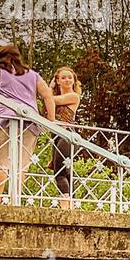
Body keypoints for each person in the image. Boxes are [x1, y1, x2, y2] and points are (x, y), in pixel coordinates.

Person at [0, 46, 56, 205]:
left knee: (1, 161)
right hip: (30, 121)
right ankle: (15, 201)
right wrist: (50, 121)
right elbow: (47, 96)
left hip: (5, 119)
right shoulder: (32, 74)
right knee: (22, 163)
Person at [48, 67, 81, 210]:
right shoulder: (56, 95)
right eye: (63, 78)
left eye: (69, 77)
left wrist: (48, 88)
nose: (67, 80)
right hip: (56, 136)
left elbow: (50, 100)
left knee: (60, 172)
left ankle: (66, 204)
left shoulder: (74, 96)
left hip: (67, 134)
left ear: (74, 81)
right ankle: (69, 203)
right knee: (64, 172)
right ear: (58, 81)